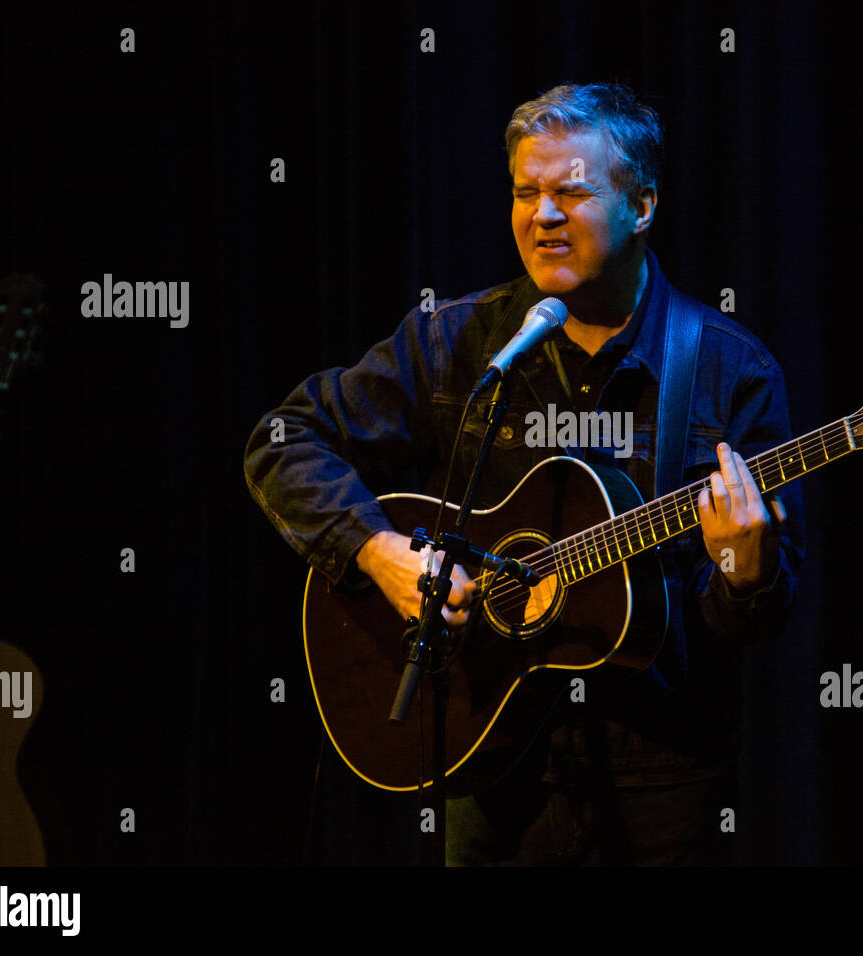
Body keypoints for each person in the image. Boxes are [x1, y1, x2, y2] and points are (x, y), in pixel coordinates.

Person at [243, 82, 805, 865]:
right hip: (489, 768)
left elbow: (754, 625)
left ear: (641, 205)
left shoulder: (728, 370)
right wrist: (380, 553)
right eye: (524, 193)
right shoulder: (460, 340)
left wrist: (746, 572)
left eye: (570, 192)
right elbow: (283, 438)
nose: (541, 216)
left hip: (661, 785)